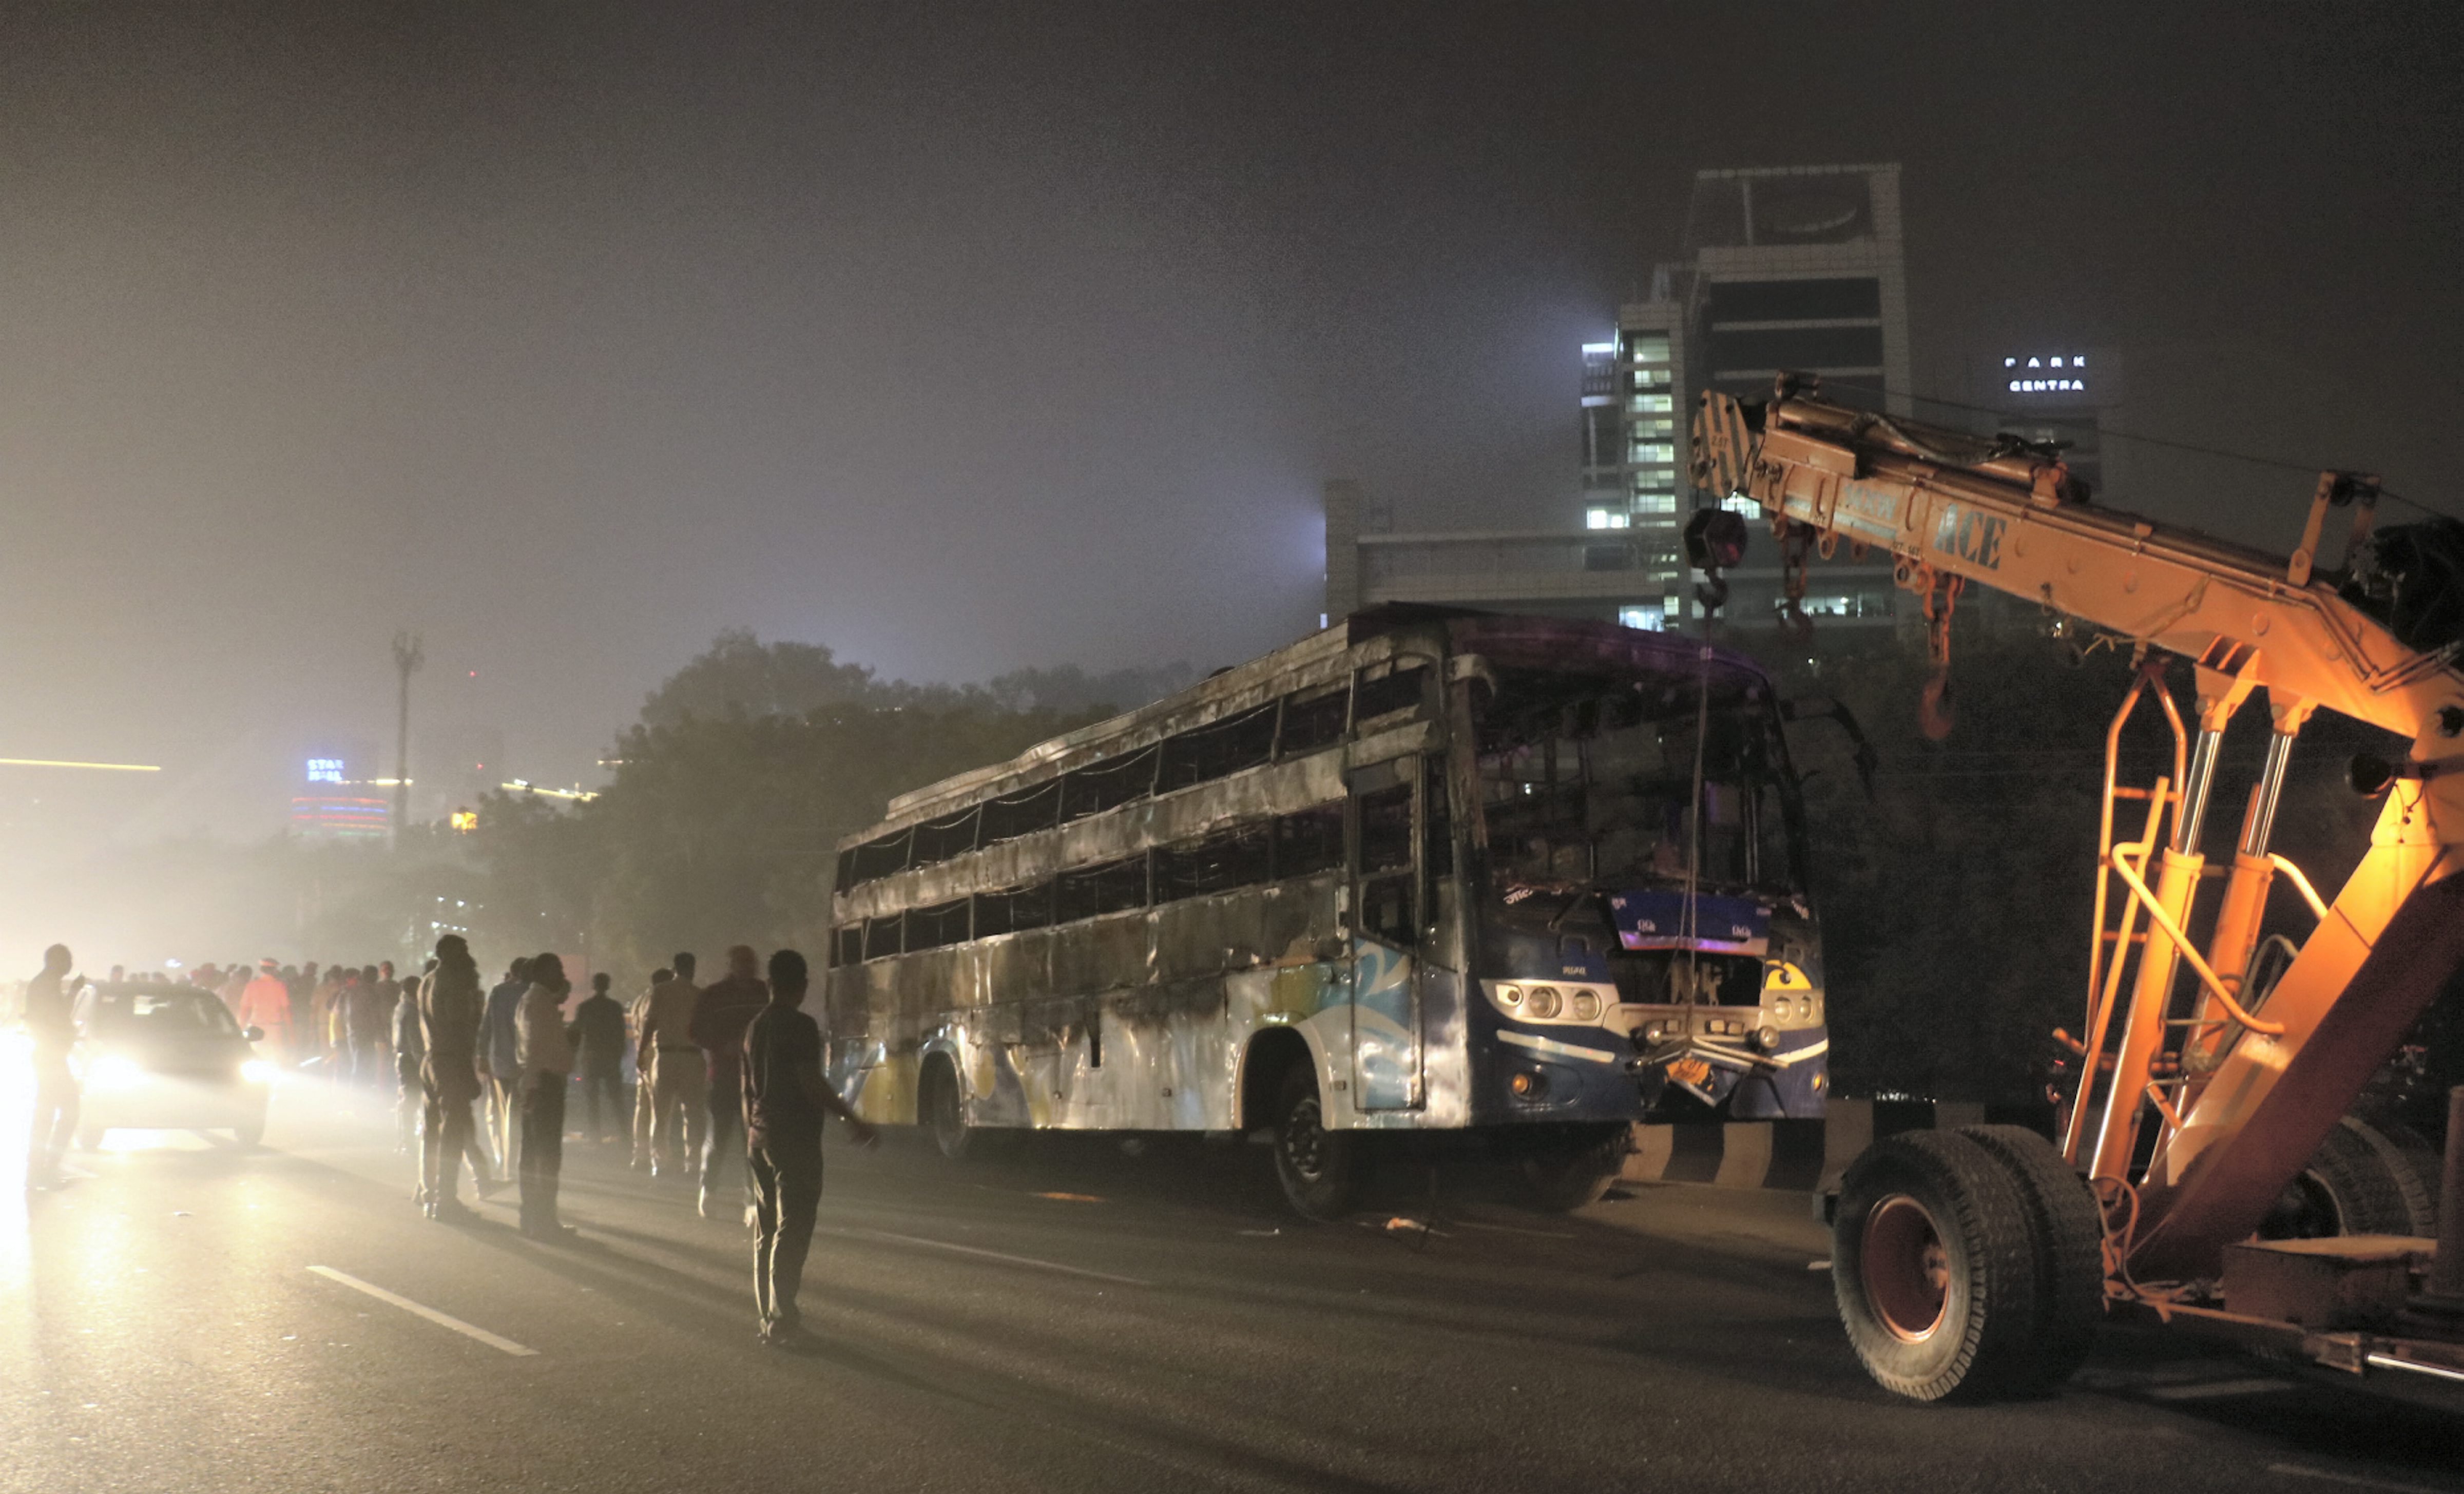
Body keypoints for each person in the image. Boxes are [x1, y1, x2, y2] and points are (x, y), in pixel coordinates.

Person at [743, 948, 875, 1346]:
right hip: (793, 1136)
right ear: (802, 987)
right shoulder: (800, 1026)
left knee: (767, 1231)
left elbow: (746, 1089)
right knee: (794, 1226)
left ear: (769, 984)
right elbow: (809, 1080)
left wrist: (750, 1133)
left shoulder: (754, 1027)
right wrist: (850, 1118)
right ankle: (784, 1320)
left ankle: (768, 1316)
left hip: (759, 1136)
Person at [417, 936, 499, 1220]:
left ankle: (429, 1192)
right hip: (450, 1061)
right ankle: (446, 1200)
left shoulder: (427, 980)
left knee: (432, 1131)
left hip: (432, 1060)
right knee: (453, 1132)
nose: (467, 955)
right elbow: (458, 1028)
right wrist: (468, 1070)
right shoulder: (453, 980)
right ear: (449, 954)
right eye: (462, 950)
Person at [691, 945, 768, 1221]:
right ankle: (708, 1188)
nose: (748, 967)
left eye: (751, 962)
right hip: (724, 1077)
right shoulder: (714, 996)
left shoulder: (764, 993)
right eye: (742, 962)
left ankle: (753, 1199)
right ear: (731, 965)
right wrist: (722, 1046)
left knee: (754, 1142)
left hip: (758, 1080)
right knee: (718, 1139)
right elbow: (696, 1031)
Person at [514, 952, 576, 1239]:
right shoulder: (537, 1003)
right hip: (543, 1084)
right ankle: (543, 1220)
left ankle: (534, 1217)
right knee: (546, 1155)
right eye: (558, 969)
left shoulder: (537, 1000)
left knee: (534, 1153)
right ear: (545, 972)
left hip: (538, 1082)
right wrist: (533, 1086)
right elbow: (535, 1048)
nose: (562, 974)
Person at [23, 945, 81, 1191]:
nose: (70, 964)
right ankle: (44, 1169)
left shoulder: (45, 983)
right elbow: (57, 1017)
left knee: (48, 1114)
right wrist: (74, 993)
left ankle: (40, 1171)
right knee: (67, 1111)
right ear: (55, 961)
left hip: (50, 1055)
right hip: (51, 1057)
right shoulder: (47, 984)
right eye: (67, 959)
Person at [643, 952, 703, 1179]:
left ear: (674, 968)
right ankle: (693, 1163)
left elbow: (651, 1023)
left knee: (661, 1114)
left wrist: (642, 1051)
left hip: (666, 1056)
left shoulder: (661, 991)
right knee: (693, 1113)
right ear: (693, 968)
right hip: (691, 1057)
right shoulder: (699, 995)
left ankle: (660, 1162)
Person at [483, 955, 532, 1177]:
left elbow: (486, 1026)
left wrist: (481, 1055)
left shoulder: (498, 992)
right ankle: (514, 1163)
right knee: (517, 1115)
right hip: (523, 1063)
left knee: (497, 1113)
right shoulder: (531, 994)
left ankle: (501, 1158)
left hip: (499, 1061)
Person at [567, 972, 626, 1144]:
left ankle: (595, 1134)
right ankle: (625, 1132)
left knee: (592, 1098)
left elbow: (576, 1032)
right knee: (616, 1097)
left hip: (591, 1056)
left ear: (594, 985)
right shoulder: (615, 1007)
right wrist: (618, 1054)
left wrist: (574, 1055)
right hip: (610, 1057)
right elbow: (620, 1033)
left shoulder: (585, 1007)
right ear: (608, 985)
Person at [628, 968, 672, 1171]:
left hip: (641, 1058)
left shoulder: (639, 1000)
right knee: (659, 1109)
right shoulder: (656, 1000)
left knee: (642, 1107)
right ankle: (659, 1157)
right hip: (654, 1057)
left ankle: (640, 1154)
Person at [392, 961, 426, 1155]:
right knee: (412, 1101)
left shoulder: (400, 1007)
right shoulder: (412, 1011)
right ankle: (408, 1143)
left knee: (406, 1101)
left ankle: (405, 1140)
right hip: (411, 1061)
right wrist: (424, 1063)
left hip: (402, 1058)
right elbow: (416, 1042)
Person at [237, 959, 294, 1064]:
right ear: (275, 971)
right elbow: (286, 1010)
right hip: (275, 1029)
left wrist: (239, 1029)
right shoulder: (280, 986)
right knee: (275, 1060)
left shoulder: (251, 986)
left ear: (261, 970)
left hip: (255, 1029)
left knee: (256, 1059)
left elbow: (244, 1010)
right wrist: (291, 1031)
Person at [346, 965, 392, 1088]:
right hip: (366, 1033)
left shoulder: (353, 990)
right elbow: (375, 1015)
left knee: (357, 1062)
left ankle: (357, 1092)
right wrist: (381, 1037)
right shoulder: (371, 992)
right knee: (364, 1064)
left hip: (353, 1032)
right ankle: (361, 1094)